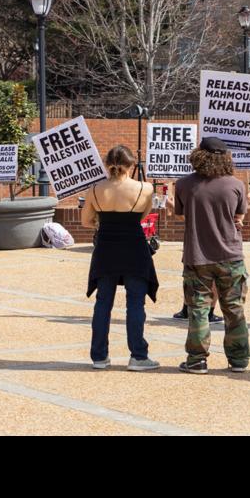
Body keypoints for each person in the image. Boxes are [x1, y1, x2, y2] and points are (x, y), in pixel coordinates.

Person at [172, 137, 250, 374]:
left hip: (197, 255)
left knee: (198, 308)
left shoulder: (184, 184)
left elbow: (180, 215)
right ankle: (238, 359)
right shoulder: (236, 185)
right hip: (231, 255)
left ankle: (197, 359)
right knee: (234, 309)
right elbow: (239, 218)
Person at [81, 145, 159, 370]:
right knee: (135, 303)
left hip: (106, 248)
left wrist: (100, 221)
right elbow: (143, 216)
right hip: (134, 248)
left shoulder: (94, 188)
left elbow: (86, 221)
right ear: (131, 164)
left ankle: (99, 356)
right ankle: (138, 356)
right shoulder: (145, 188)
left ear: (107, 164)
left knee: (103, 303)